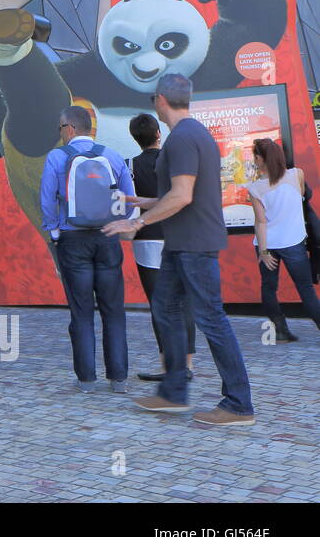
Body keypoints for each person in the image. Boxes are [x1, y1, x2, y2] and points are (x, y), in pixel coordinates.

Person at [103, 73, 255, 426]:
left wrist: (136, 222)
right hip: (181, 244)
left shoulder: (183, 138)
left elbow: (183, 196)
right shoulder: (191, 134)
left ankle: (238, 403)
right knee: (166, 309)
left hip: (194, 245)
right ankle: (173, 392)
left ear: (159, 100)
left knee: (211, 320)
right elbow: (181, 194)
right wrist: (140, 201)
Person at [39, 105, 133, 393]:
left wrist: (55, 231)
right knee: (113, 311)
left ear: (69, 129)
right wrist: (121, 225)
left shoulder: (57, 157)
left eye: (60, 129)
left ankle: (86, 380)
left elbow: (46, 199)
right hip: (107, 238)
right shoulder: (112, 155)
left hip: (73, 241)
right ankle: (118, 379)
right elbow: (129, 197)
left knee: (81, 312)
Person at [128, 114, 196, 381]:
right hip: (179, 236)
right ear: (158, 133)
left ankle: (167, 366)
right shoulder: (174, 162)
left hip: (147, 240)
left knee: (159, 305)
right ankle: (187, 365)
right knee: (184, 302)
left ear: (135, 137)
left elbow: (130, 204)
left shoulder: (130, 166)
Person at [249, 137, 320, 341]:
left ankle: (280, 330)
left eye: (256, 155)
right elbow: (304, 198)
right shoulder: (297, 174)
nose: (254, 159)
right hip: (293, 242)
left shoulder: (256, 188)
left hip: (267, 244)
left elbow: (260, 222)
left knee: (269, 287)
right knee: (306, 289)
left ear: (263, 159)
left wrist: (263, 252)